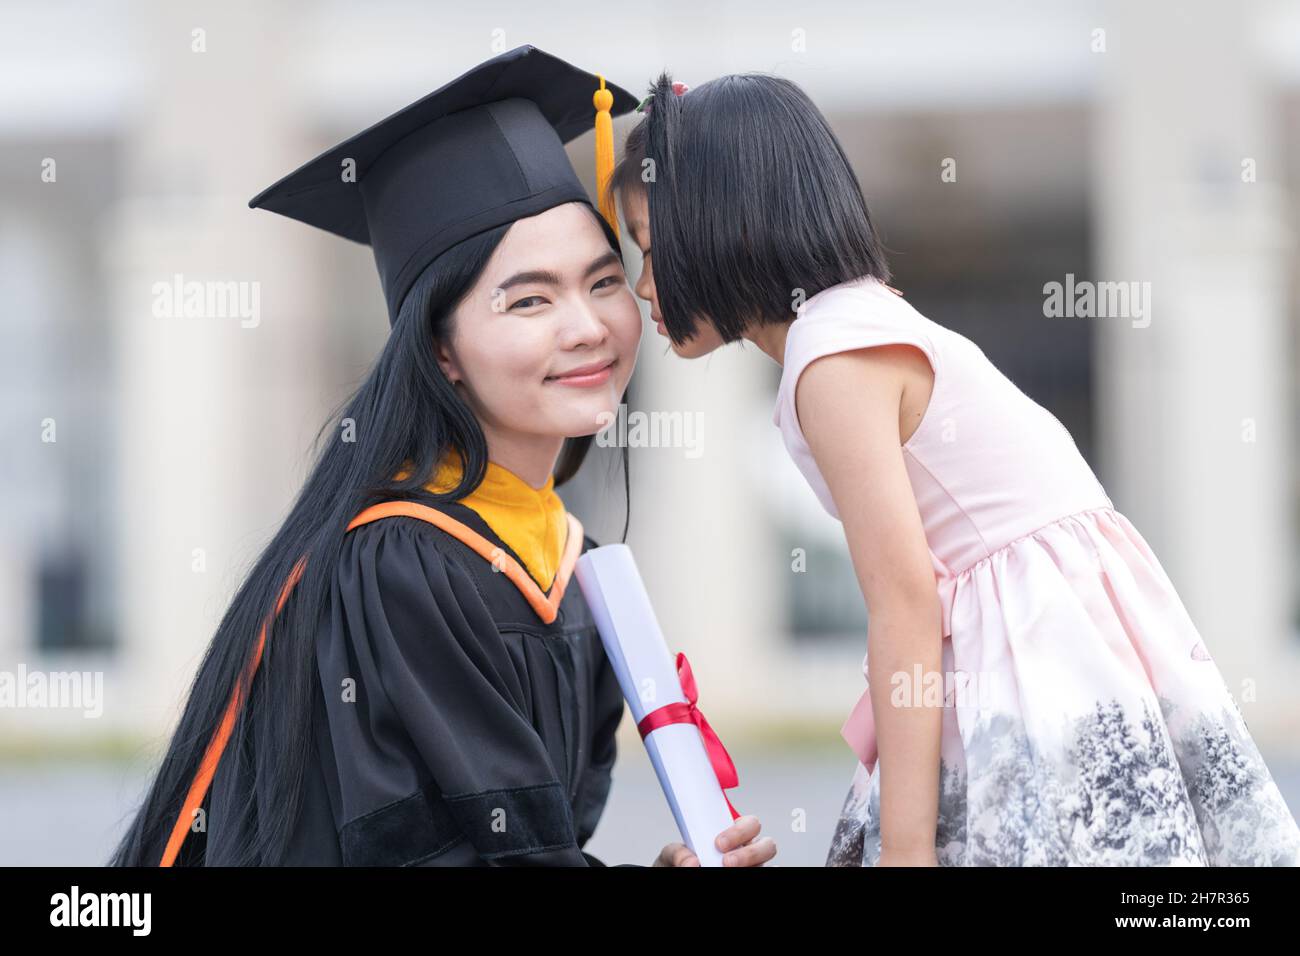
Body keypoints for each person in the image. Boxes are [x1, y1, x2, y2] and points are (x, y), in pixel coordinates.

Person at [607, 71, 1300, 866]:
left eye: (654, 251)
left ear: (724, 226)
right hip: (1062, 652)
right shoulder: (858, 323)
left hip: (1033, 668)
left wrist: (905, 852)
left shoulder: (830, 358)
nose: (643, 287)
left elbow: (901, 599)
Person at [109, 47, 775, 868]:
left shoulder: (567, 564)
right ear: (442, 350)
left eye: (603, 281)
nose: (587, 326)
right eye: (529, 299)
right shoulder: (402, 561)